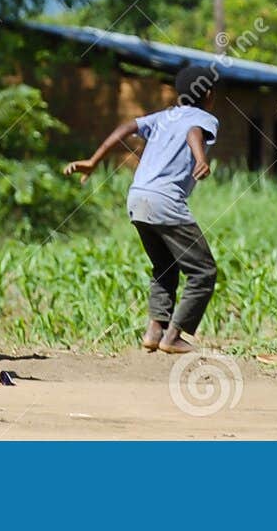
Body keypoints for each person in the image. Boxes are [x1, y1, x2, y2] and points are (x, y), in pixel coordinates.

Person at [63, 64, 218, 355]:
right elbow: (194, 132)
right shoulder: (204, 118)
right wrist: (200, 158)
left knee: (164, 266)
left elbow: (127, 128)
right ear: (209, 94)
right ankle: (173, 336)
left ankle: (154, 331)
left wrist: (94, 161)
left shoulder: (164, 116)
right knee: (203, 271)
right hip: (165, 201)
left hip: (137, 198)